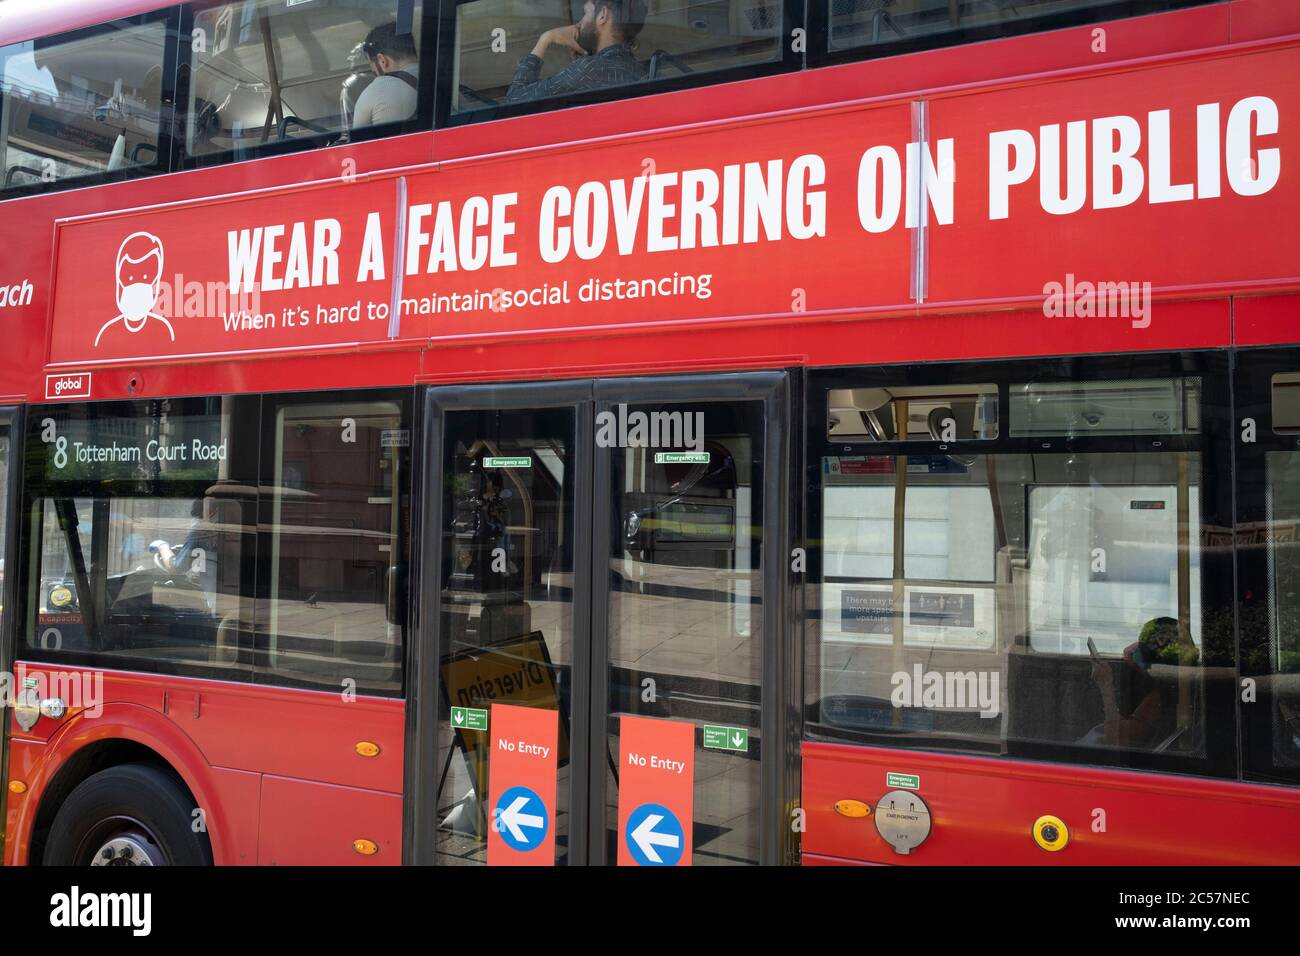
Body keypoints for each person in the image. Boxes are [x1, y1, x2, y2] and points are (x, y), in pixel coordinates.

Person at [505, 0, 646, 104]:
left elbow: (515, 100)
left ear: (602, 15)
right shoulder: (639, 71)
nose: (579, 23)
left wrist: (546, 38)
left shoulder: (589, 69)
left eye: (586, 13)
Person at [1082, 617, 1181, 748]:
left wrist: (1106, 685)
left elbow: (1116, 739)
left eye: (1143, 648)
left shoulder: (1160, 697)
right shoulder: (1178, 679)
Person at [349, 22, 419, 130]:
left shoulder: (373, 92)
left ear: (382, 60)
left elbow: (356, 142)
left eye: (371, 65)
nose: (373, 71)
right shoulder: (442, 75)